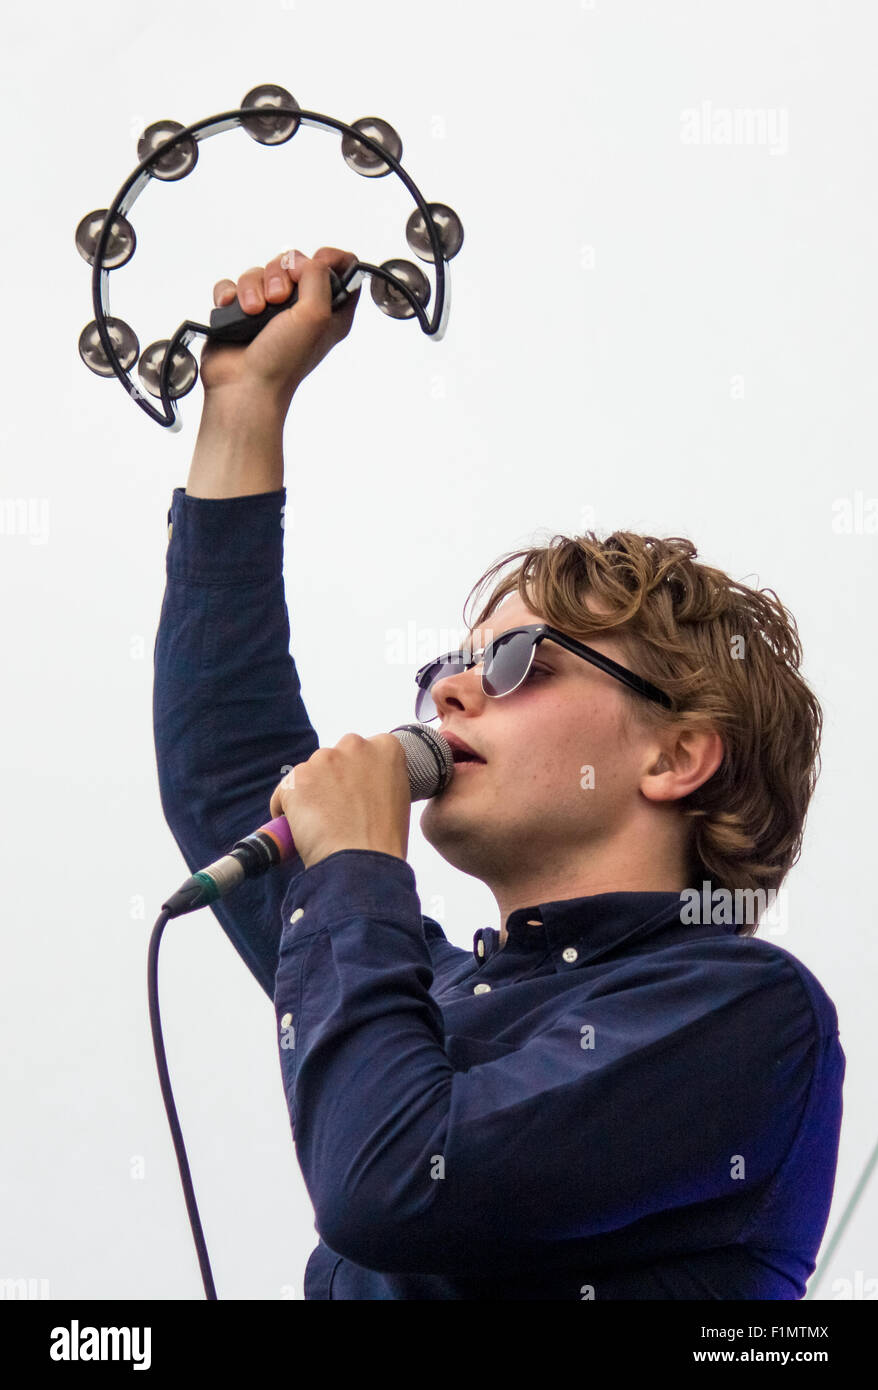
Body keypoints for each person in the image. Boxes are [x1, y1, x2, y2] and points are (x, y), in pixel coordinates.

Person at [153, 247, 844, 1300]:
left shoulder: (743, 1011)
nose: (450, 695)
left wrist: (354, 871)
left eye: (518, 660)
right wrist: (247, 404)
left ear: (675, 753)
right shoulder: (426, 998)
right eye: (448, 666)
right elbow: (228, 768)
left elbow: (390, 1182)